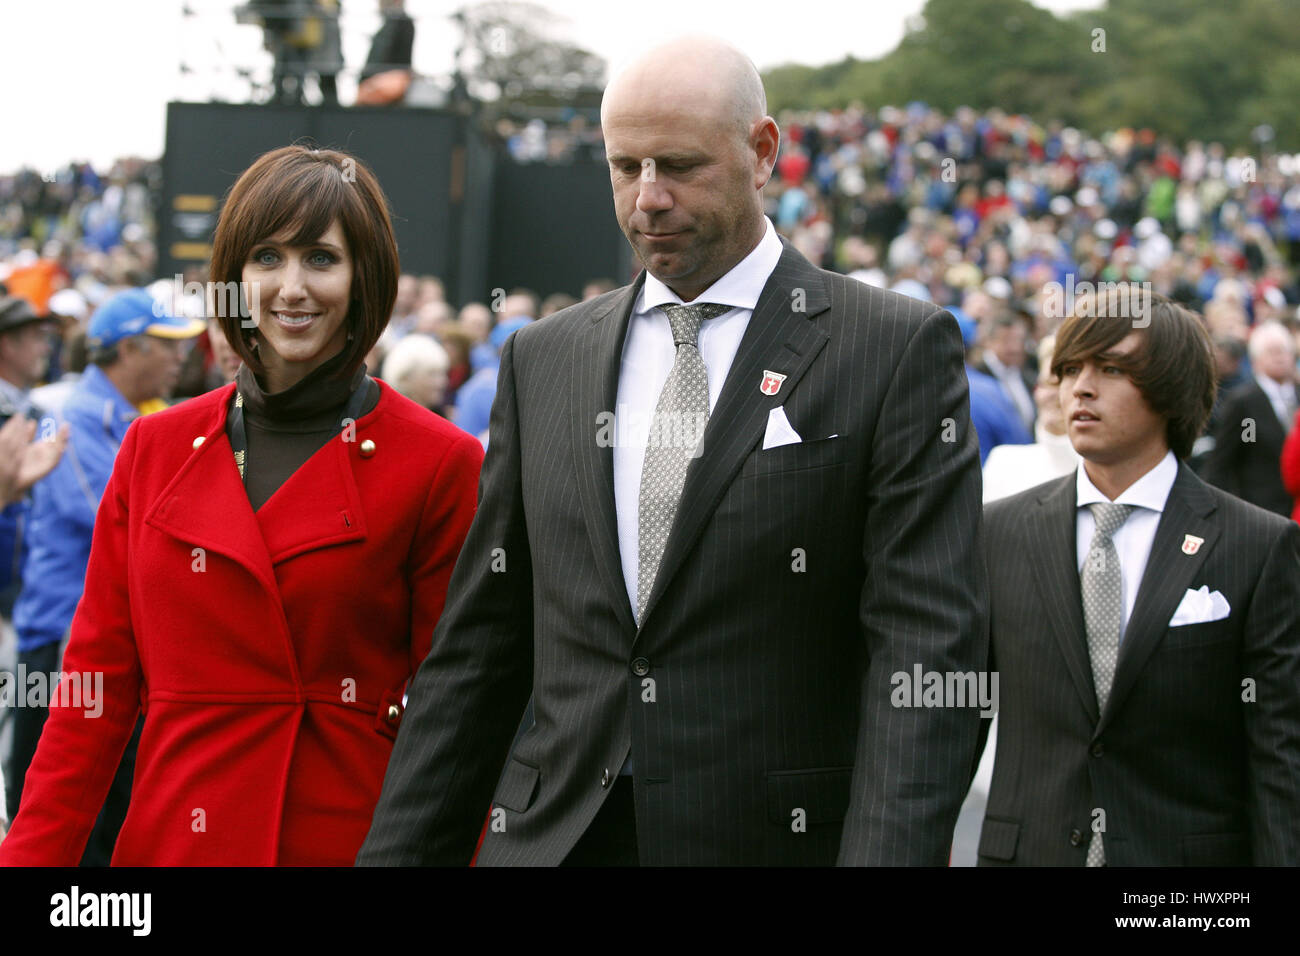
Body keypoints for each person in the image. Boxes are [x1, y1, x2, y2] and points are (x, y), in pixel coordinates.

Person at [357, 35, 986, 867]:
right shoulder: (542, 359)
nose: (648, 199)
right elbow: (480, 649)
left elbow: (925, 657)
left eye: (680, 166)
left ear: (763, 153)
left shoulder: (892, 349)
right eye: (625, 167)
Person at [0, 145, 483, 865]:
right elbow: (90, 696)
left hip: (349, 844)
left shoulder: (442, 464)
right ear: (233, 277)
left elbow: (462, 724)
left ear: (365, 279)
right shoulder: (153, 448)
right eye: (266, 257)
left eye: (322, 258)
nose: (291, 287)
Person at [978, 289, 1300, 866]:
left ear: (1171, 388)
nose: (1080, 386)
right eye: (1070, 368)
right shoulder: (997, 531)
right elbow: (945, 730)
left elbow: (1280, 757)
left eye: (1111, 368)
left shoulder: (1258, 545)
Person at [7, 288, 203, 865]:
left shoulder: (137, 418)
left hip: (116, 648)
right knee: (59, 814)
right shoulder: (70, 420)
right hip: (67, 643)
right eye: (167, 346)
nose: (180, 358)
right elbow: (118, 522)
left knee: (110, 820)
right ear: (128, 349)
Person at [1203, 321, 1297, 517]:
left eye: (1284, 351)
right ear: (1256, 360)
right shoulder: (1245, 403)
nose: (1280, 358)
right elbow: (1228, 457)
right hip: (1261, 509)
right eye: (1272, 352)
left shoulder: (1297, 394)